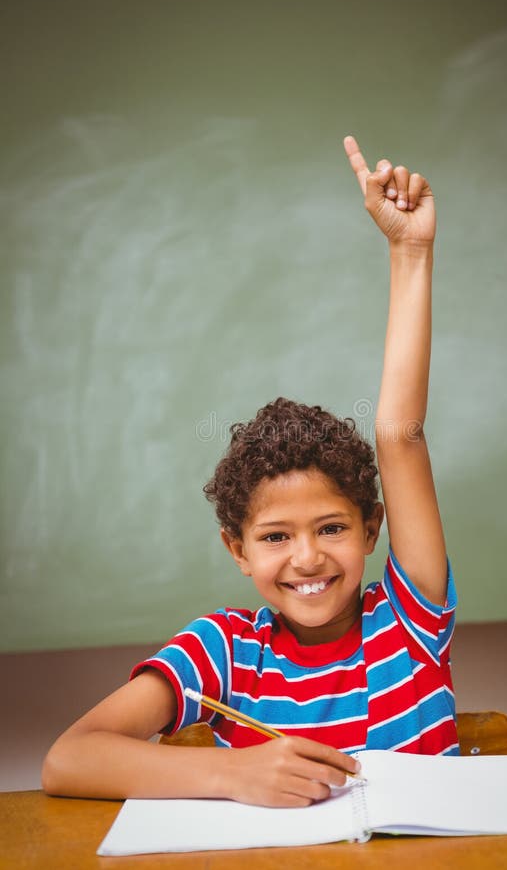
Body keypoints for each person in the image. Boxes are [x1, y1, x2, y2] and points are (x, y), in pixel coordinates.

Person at [42, 136, 458, 807]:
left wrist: (409, 252)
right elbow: (68, 760)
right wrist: (229, 774)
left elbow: (399, 436)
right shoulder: (224, 652)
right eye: (272, 537)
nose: (306, 558)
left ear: (371, 527)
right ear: (236, 549)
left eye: (330, 527)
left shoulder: (410, 620)